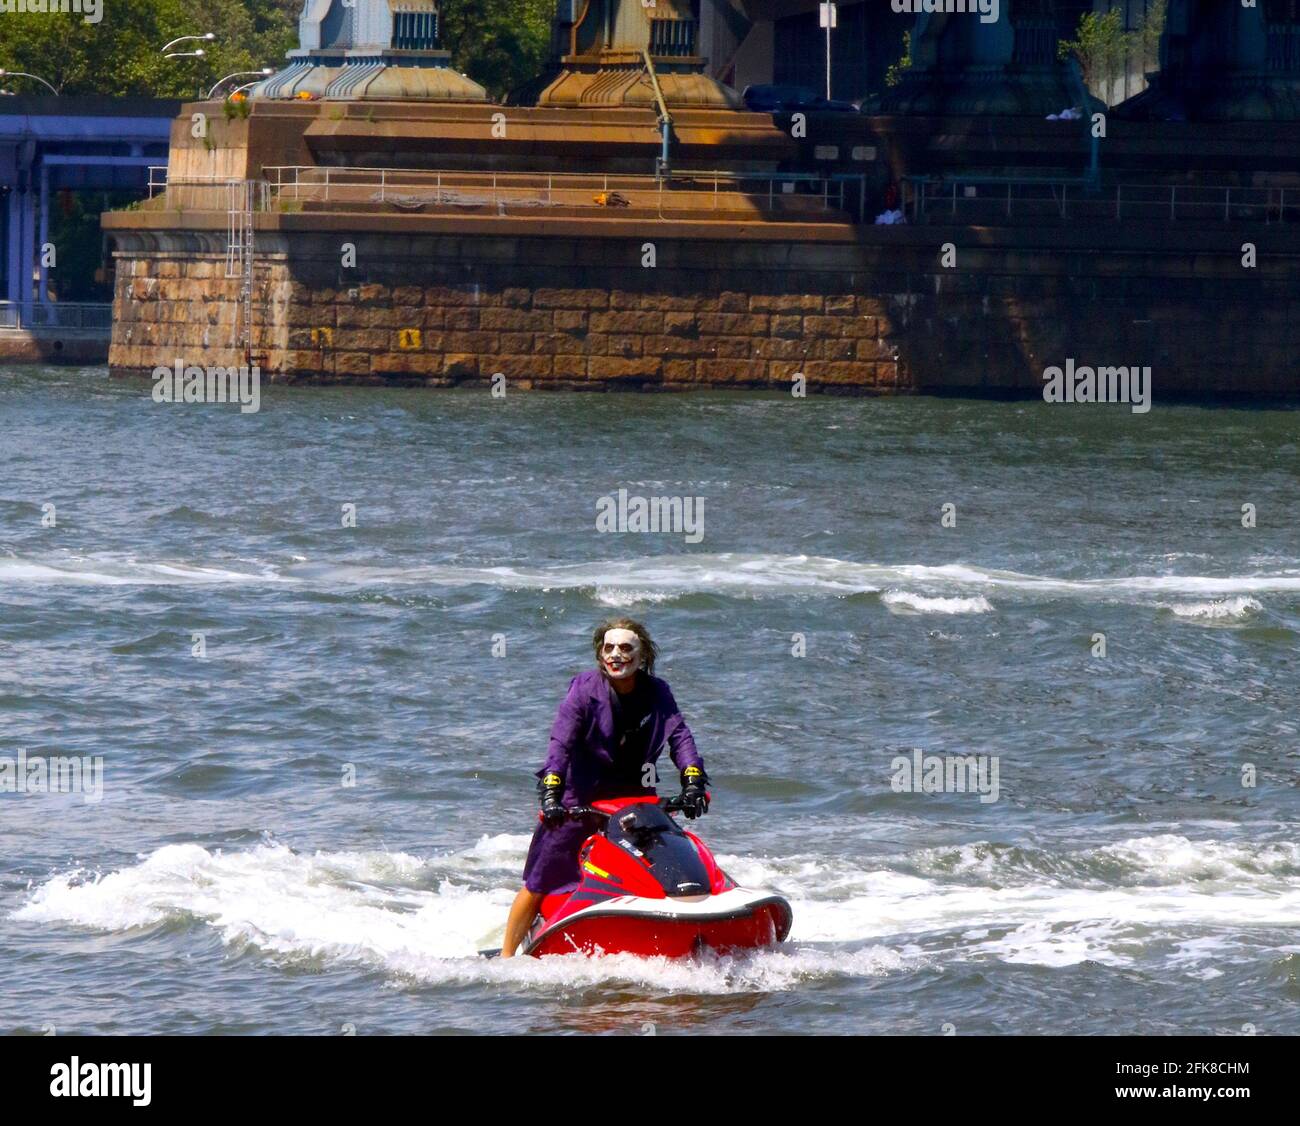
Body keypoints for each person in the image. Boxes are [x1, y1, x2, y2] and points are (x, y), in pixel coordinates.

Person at [499, 618, 708, 957]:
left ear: (642, 656)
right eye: (608, 648)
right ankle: (506, 957)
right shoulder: (584, 689)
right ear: (599, 655)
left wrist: (693, 782)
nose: (616, 655)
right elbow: (560, 744)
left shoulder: (658, 691)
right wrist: (552, 793)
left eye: (626, 648)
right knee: (540, 882)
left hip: (636, 798)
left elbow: (680, 737)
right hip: (578, 801)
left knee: (660, 868)